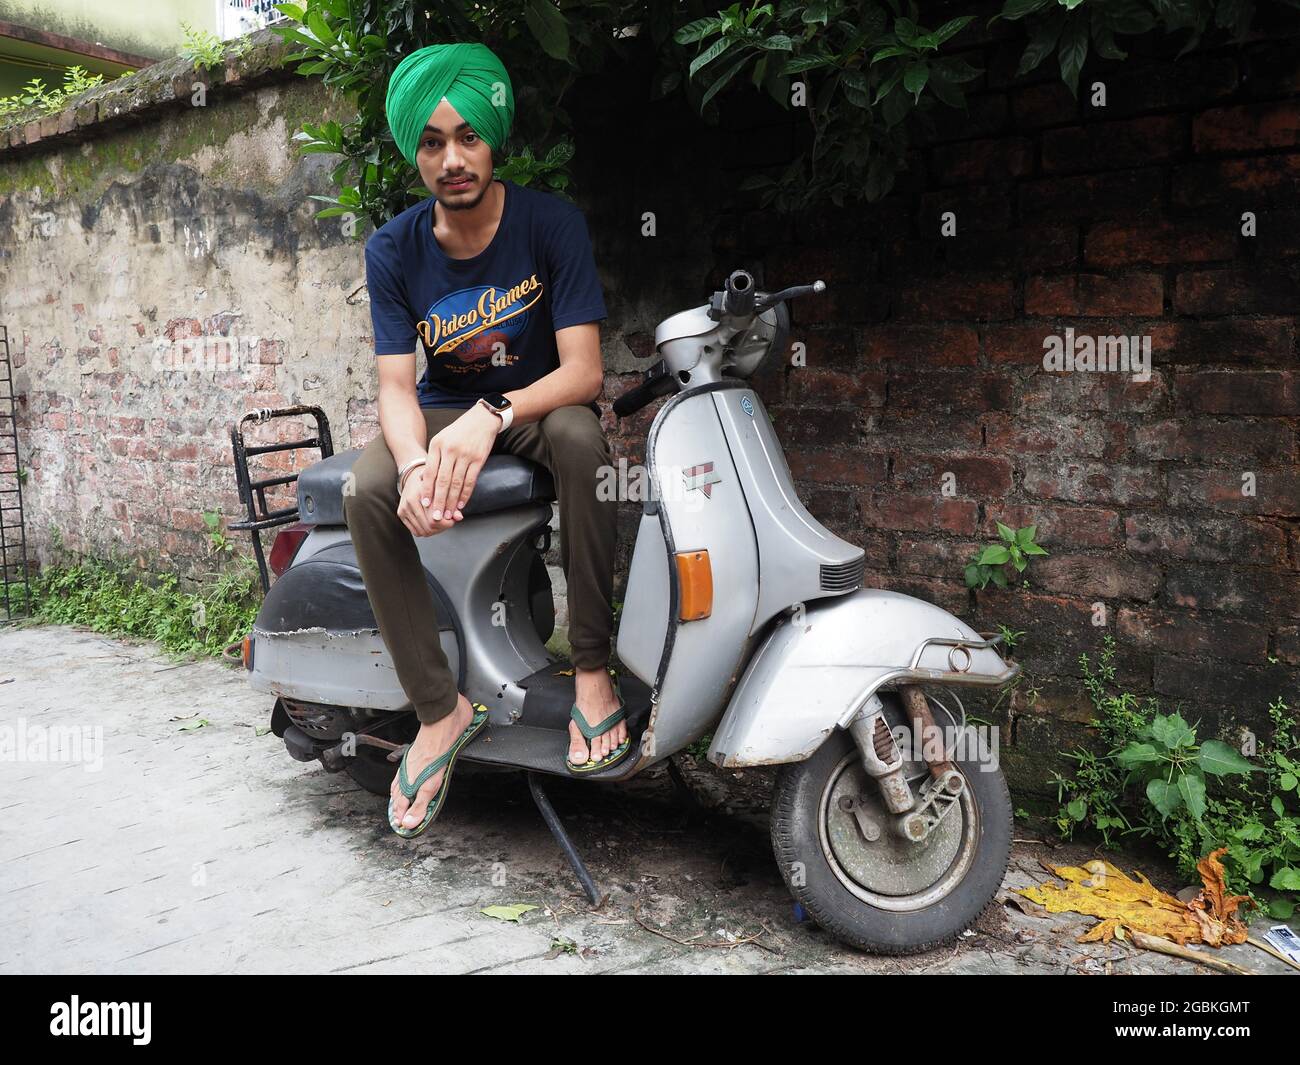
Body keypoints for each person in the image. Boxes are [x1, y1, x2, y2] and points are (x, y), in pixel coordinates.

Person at [343, 42, 625, 838]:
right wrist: (412, 465)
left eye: (467, 136)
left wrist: (493, 413)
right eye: (432, 142)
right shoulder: (393, 248)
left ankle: (593, 671)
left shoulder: (549, 224)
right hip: (439, 410)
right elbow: (398, 384)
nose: (452, 158)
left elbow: (584, 372)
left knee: (580, 440)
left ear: (493, 140)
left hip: (532, 403)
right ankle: (440, 708)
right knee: (365, 490)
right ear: (415, 153)